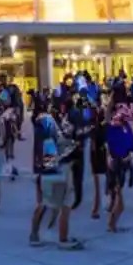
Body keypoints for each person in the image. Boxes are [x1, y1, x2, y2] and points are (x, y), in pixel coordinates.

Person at [29, 101, 82, 249]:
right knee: (65, 203)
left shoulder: (40, 134)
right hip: (57, 171)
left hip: (45, 172)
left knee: (44, 203)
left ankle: (34, 234)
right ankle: (63, 238)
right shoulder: (51, 136)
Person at [105, 104, 133, 233]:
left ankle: (112, 223)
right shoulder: (113, 129)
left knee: (118, 196)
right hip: (116, 165)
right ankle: (111, 224)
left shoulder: (124, 128)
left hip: (122, 164)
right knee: (119, 200)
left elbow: (132, 145)